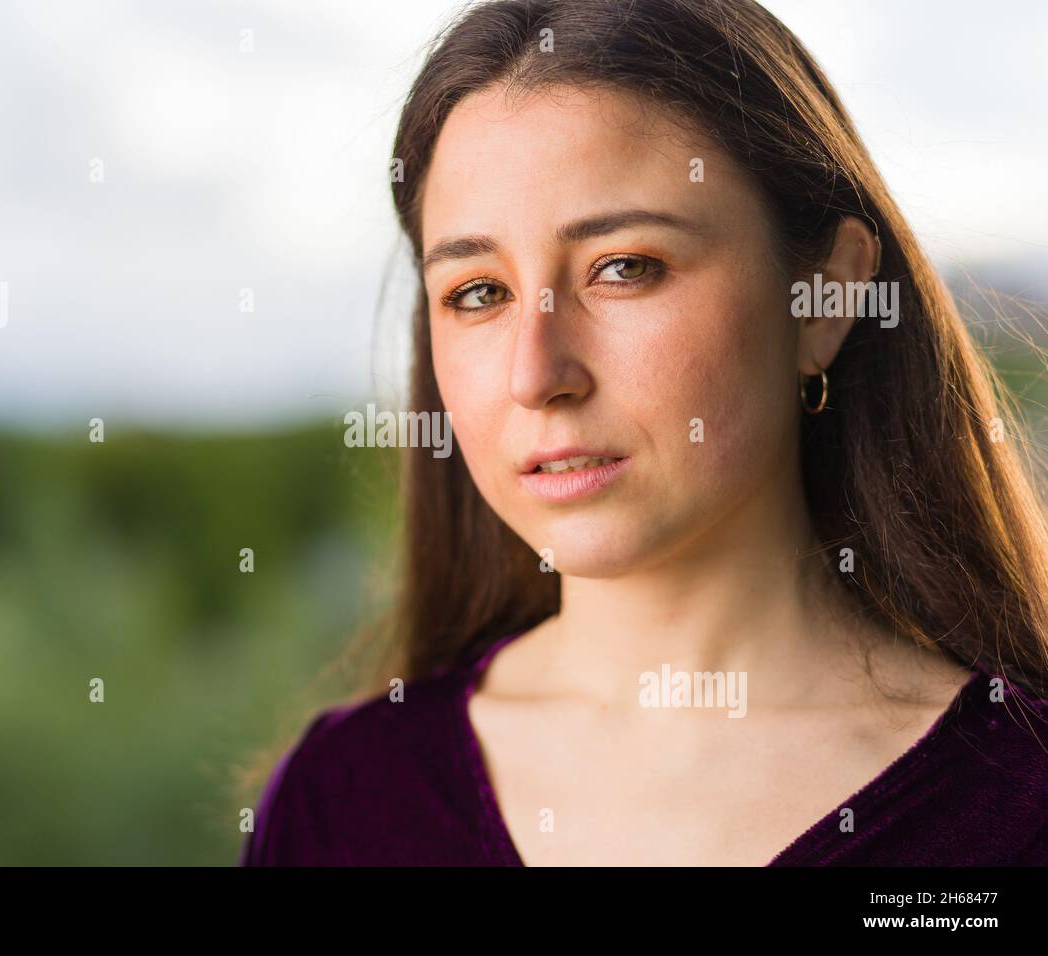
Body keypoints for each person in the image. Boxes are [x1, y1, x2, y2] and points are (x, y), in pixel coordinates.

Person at [240, 0, 1048, 866]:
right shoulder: (344, 802)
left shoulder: (1020, 806)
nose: (535, 375)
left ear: (827, 298)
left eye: (624, 268)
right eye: (479, 291)